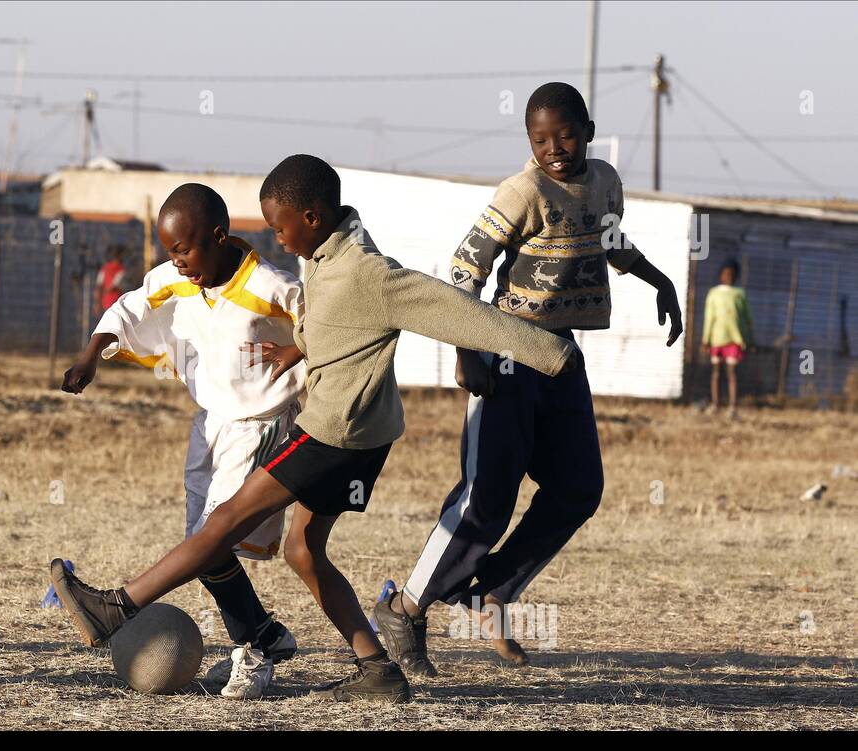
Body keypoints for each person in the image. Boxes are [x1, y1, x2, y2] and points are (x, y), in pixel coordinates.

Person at [50, 155, 580, 702]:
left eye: (279, 226)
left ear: (312, 215)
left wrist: (553, 352)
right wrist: (298, 346)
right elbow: (330, 318)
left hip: (334, 435)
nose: (276, 237)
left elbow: (455, 309)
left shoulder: (369, 272)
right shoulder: (322, 255)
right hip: (350, 434)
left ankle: (117, 606)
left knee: (220, 526)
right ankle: (376, 668)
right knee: (302, 551)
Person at [376, 83, 684, 675]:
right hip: (507, 351)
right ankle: (405, 607)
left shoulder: (604, 181)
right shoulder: (522, 191)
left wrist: (658, 279)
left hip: (560, 355)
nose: (554, 148)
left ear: (588, 130)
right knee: (486, 496)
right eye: (540, 139)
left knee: (578, 488)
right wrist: (467, 354)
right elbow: (465, 268)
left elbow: (611, 240)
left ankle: (490, 591)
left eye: (565, 134)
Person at [62, 184, 304, 699]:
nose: (177, 262)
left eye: (183, 250)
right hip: (210, 423)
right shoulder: (175, 277)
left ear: (218, 237)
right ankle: (264, 634)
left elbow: (325, 327)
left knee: (211, 541)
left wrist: (296, 351)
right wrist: (89, 357)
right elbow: (128, 309)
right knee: (203, 544)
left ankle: (254, 653)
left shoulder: (272, 285)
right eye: (170, 252)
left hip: (261, 425)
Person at [702, 258, 754, 418]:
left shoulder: (739, 294)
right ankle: (716, 404)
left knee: (732, 373)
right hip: (717, 339)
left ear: (735, 276)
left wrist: (750, 339)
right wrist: (706, 339)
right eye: (725, 273)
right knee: (716, 372)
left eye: (731, 274)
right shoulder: (714, 294)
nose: (728, 276)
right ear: (720, 275)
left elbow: (748, 319)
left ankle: (732, 407)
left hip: (734, 339)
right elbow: (709, 317)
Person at [93, 245, 129, 317]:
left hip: (106, 302)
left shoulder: (105, 268)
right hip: (116, 302)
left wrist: (97, 302)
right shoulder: (121, 270)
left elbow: (99, 286)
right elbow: (114, 285)